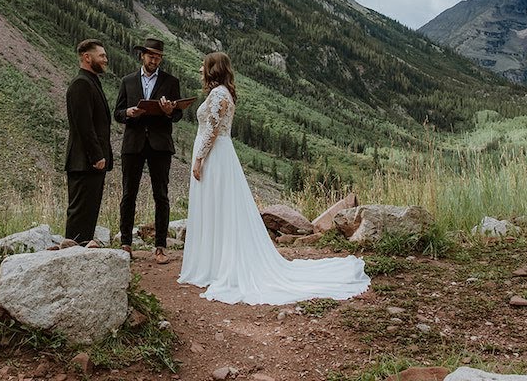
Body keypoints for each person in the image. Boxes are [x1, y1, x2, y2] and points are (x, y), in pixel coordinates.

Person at [178, 52, 371, 304]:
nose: (200, 70)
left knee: (218, 207)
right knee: (218, 208)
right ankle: (215, 262)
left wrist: (199, 159)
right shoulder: (224, 93)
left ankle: (217, 264)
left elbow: (212, 130)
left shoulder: (218, 95)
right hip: (220, 155)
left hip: (215, 157)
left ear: (212, 69)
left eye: (204, 66)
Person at [114, 37, 183, 264]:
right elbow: (117, 113)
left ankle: (160, 247)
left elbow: (178, 114)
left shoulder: (171, 81)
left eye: (158, 56)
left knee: (161, 195)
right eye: (151, 55)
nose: (154, 59)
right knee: (128, 194)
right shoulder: (128, 81)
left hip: (160, 145)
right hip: (133, 144)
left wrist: (168, 110)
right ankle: (126, 243)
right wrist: (129, 113)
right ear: (142, 55)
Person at [64, 39, 113, 246]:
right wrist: (97, 155)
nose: (105, 59)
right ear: (87, 57)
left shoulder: (90, 81)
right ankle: (72, 253)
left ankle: (80, 251)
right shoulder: (81, 84)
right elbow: (84, 125)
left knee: (88, 211)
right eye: (101, 56)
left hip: (88, 161)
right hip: (85, 161)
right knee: (80, 211)